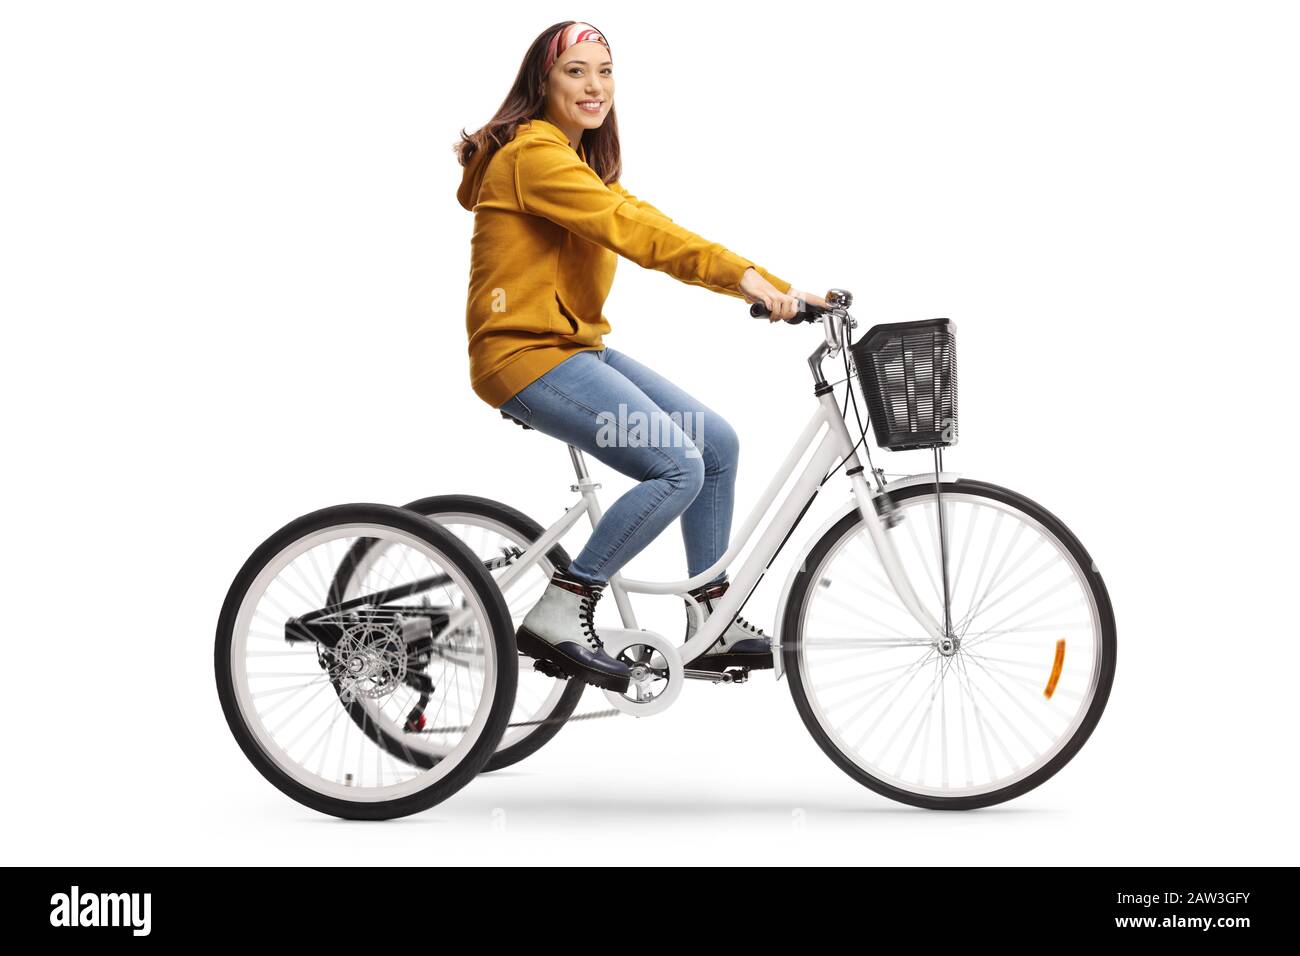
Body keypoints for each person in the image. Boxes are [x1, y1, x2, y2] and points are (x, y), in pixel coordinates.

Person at [454, 20, 828, 692]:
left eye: (604, 71)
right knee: (674, 465)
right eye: (576, 72)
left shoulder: (575, 165)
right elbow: (635, 235)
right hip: (525, 358)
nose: (594, 86)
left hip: (573, 349)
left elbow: (658, 225)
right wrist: (748, 282)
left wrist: (774, 284)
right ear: (543, 81)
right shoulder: (533, 159)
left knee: (715, 445)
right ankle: (564, 607)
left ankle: (709, 617)